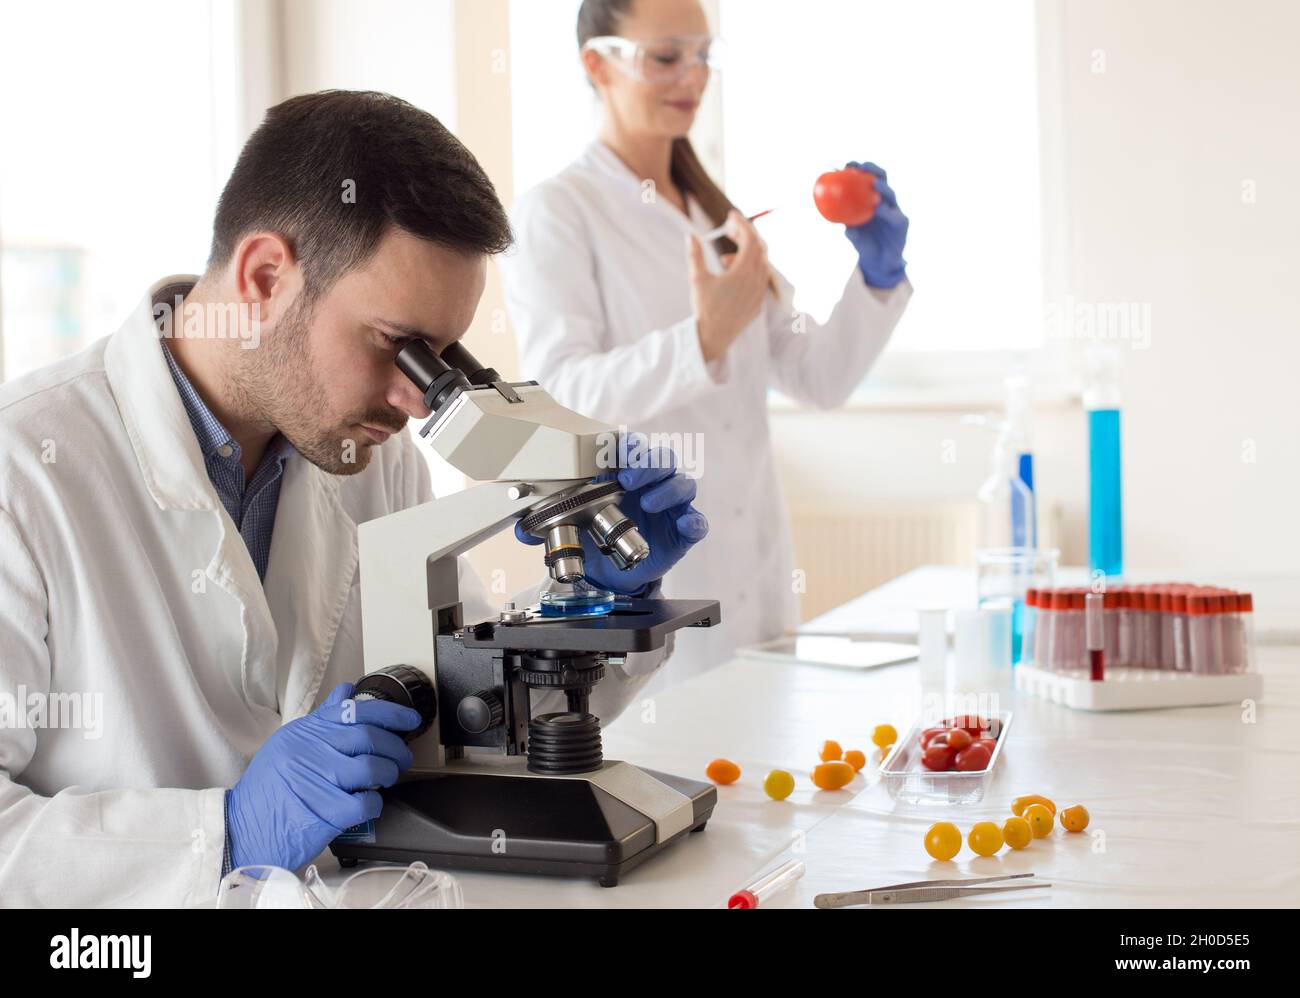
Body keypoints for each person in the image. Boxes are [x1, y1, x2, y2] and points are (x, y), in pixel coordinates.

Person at [0, 90, 707, 907]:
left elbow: (471, 717)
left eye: (440, 358)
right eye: (394, 346)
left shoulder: (368, 454)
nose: (416, 400)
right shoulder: (27, 470)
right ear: (266, 275)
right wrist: (222, 834)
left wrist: (596, 603)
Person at [499, 0, 912, 687]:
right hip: (649, 571)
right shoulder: (558, 211)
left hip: (758, 571)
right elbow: (561, 396)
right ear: (596, 62)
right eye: (666, 57)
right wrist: (702, 340)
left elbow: (819, 378)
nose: (691, 76)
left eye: (702, 56)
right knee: (680, 773)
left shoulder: (717, 217)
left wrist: (876, 277)